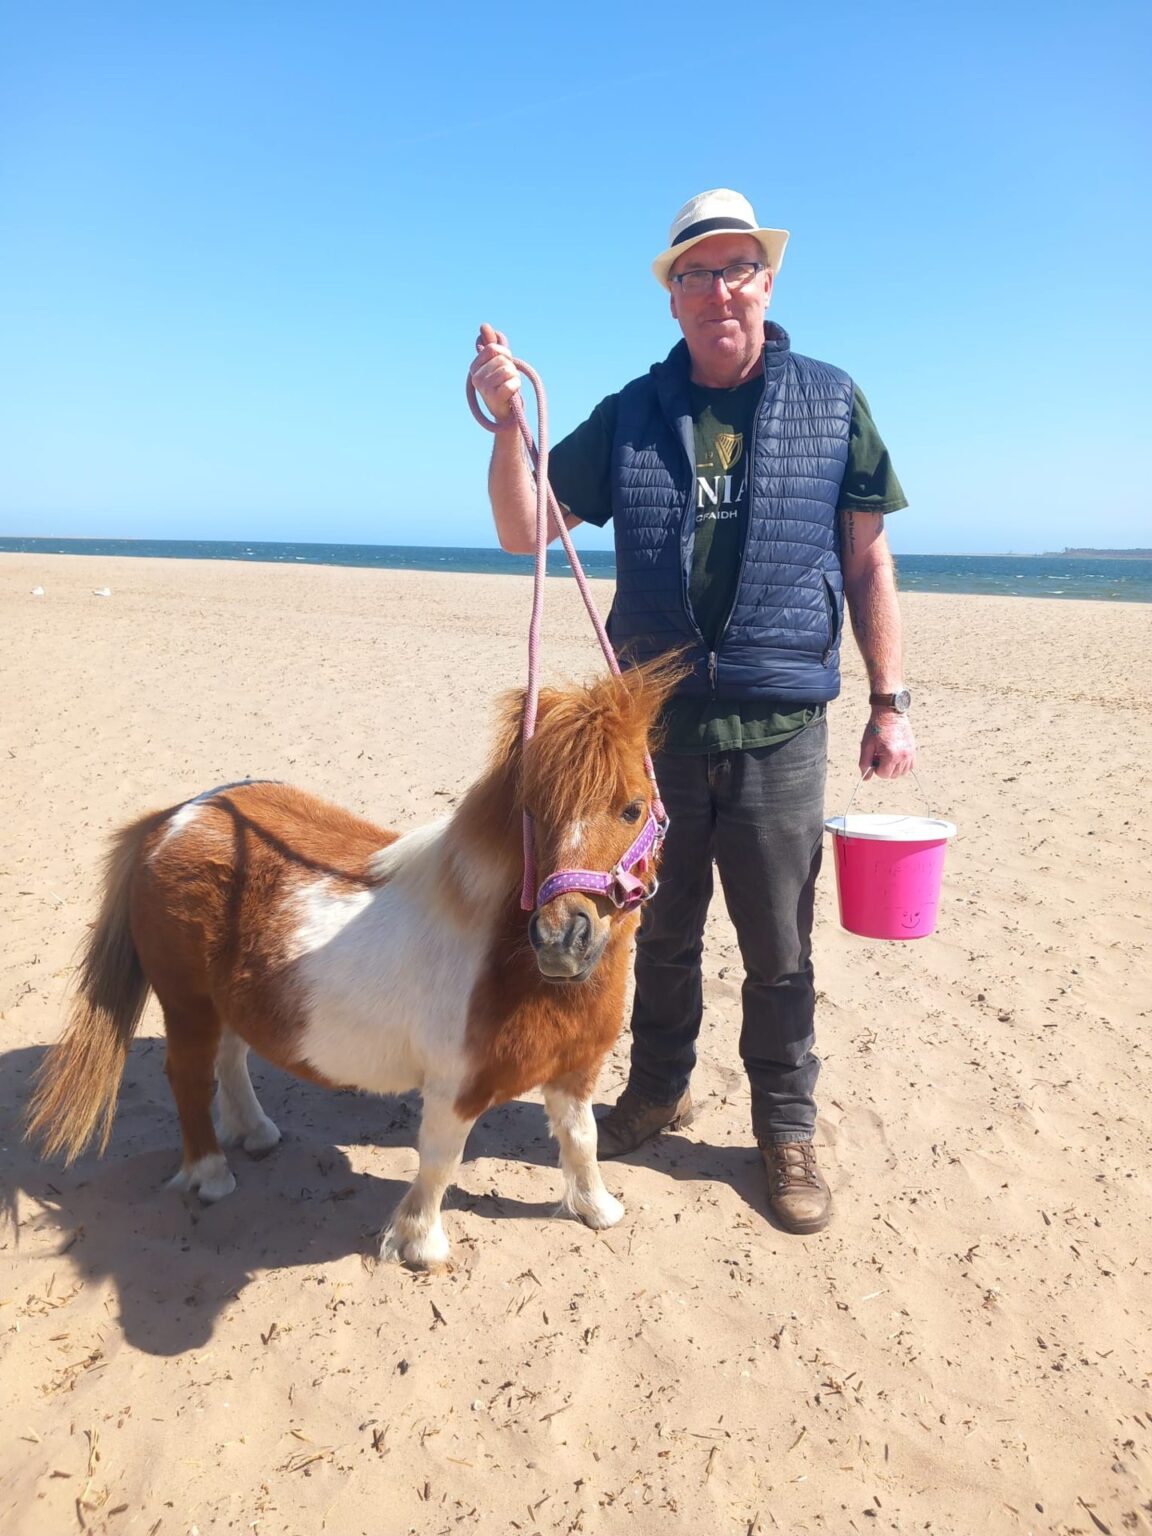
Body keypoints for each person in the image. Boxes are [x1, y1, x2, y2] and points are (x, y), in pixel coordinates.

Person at [469, 188, 916, 1235]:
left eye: (737, 268)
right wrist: (505, 423)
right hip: (654, 741)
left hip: (780, 735)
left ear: (768, 281)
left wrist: (889, 701)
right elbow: (522, 524)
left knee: (781, 946)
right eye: (695, 273)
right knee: (657, 937)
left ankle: (786, 1126)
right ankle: (657, 1090)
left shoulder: (832, 399)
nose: (719, 289)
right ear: (672, 299)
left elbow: (868, 557)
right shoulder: (632, 412)